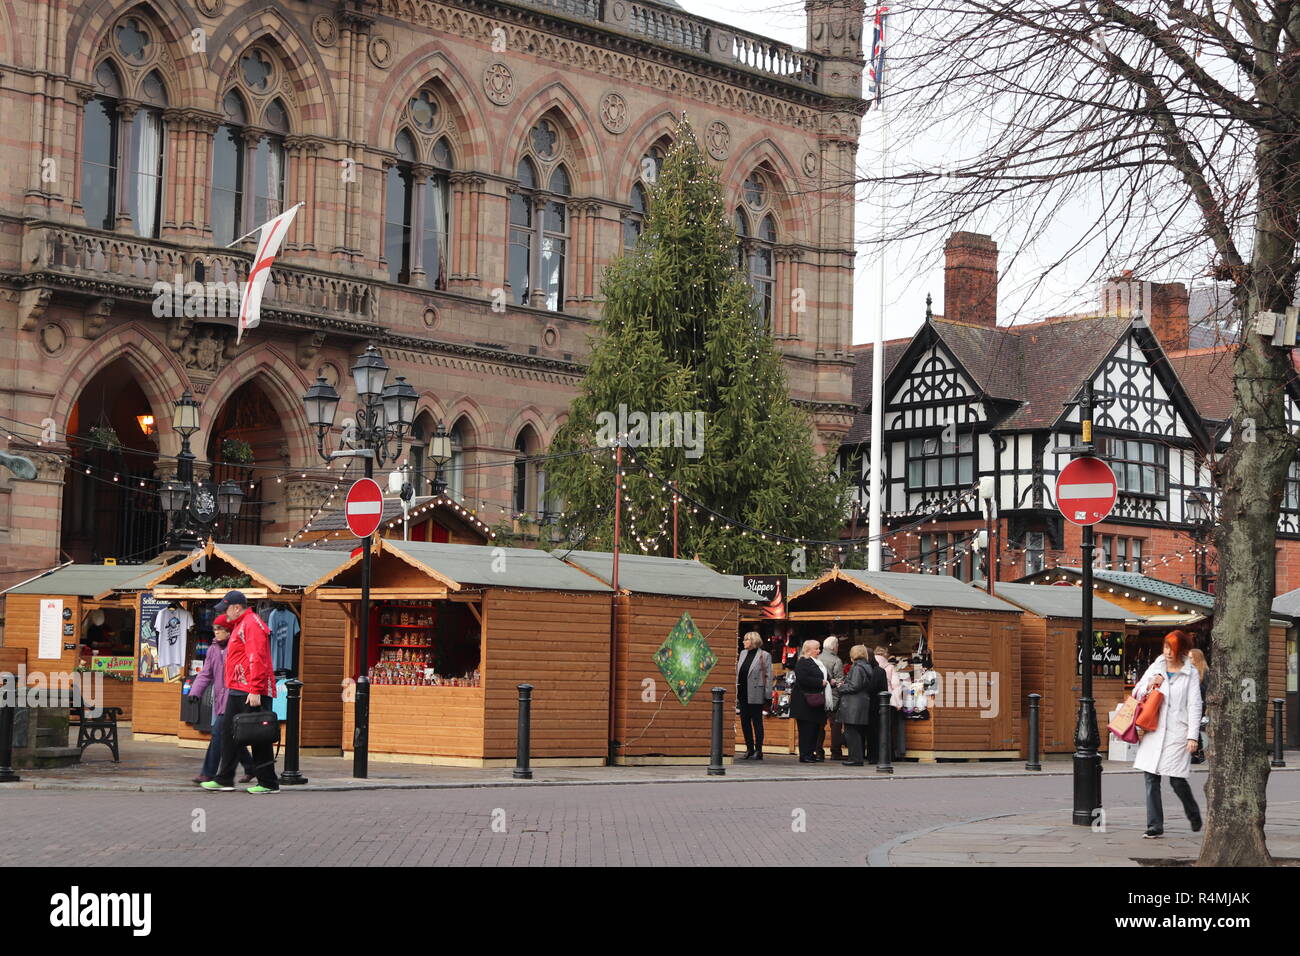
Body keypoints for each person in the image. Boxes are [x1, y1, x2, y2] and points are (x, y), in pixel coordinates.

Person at [200, 591, 280, 794]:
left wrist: (255, 689)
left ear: (236, 607)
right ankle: (224, 778)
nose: (225, 615)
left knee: (257, 736)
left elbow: (257, 657)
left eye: (226, 609)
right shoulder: (241, 624)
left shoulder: (251, 624)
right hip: (238, 687)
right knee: (229, 733)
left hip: (250, 689)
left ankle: (268, 782)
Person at [1133, 630, 1203, 838]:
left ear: (1181, 650)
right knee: (1150, 778)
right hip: (1153, 729)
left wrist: (1192, 736)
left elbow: (1194, 705)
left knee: (1176, 779)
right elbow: (1137, 692)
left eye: (1173, 649)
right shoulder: (1157, 667)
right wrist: (1150, 683)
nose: (1168, 653)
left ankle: (1193, 813)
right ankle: (1155, 825)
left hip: (1177, 732)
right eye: (1166, 647)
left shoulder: (1190, 674)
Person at [188, 616, 254, 785]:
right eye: (215, 629)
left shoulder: (237, 647)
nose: (216, 632)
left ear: (228, 631)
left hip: (236, 698)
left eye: (220, 629)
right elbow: (206, 673)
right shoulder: (212, 650)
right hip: (221, 700)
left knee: (218, 733)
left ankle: (208, 773)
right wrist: (195, 692)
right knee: (232, 737)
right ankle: (251, 767)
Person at [737, 631, 773, 760]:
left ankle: (759, 750)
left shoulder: (764, 655)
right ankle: (749, 748)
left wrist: (768, 695)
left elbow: (769, 676)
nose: (743, 641)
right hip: (742, 693)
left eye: (746, 639)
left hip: (756, 692)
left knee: (757, 722)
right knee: (744, 722)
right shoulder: (742, 654)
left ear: (753, 641)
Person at [836, 646, 875, 765]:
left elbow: (855, 686)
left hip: (853, 704)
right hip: (860, 702)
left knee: (851, 732)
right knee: (855, 732)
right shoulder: (866, 666)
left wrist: (841, 687)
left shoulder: (857, 667)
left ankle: (855, 759)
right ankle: (855, 758)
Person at [790, 639, 827, 763]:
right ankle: (805, 754)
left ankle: (811, 753)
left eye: (819, 648)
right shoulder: (803, 662)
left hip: (815, 701)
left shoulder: (817, 662)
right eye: (816, 648)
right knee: (806, 729)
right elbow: (803, 679)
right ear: (808, 650)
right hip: (804, 702)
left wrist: (830, 681)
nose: (819, 650)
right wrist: (820, 682)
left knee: (814, 729)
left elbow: (822, 675)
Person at [874, 645, 903, 762]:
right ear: (885, 654)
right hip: (889, 701)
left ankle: (875, 754)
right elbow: (896, 685)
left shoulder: (871, 665)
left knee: (875, 729)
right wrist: (898, 702)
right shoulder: (890, 667)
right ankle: (889, 755)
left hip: (874, 701)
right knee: (888, 729)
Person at [818, 636, 846, 760]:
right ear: (834, 647)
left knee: (819, 725)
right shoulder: (836, 660)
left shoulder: (816, 657)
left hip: (818, 696)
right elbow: (840, 681)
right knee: (835, 725)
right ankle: (835, 752)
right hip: (833, 697)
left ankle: (818, 751)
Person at [1188, 647, 1209, 763]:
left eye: (1191, 658)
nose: (1189, 660)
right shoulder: (1192, 672)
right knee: (1193, 727)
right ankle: (1197, 753)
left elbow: (1207, 690)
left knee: (1193, 726)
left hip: (1200, 705)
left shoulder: (1204, 673)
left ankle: (1196, 753)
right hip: (1193, 703)